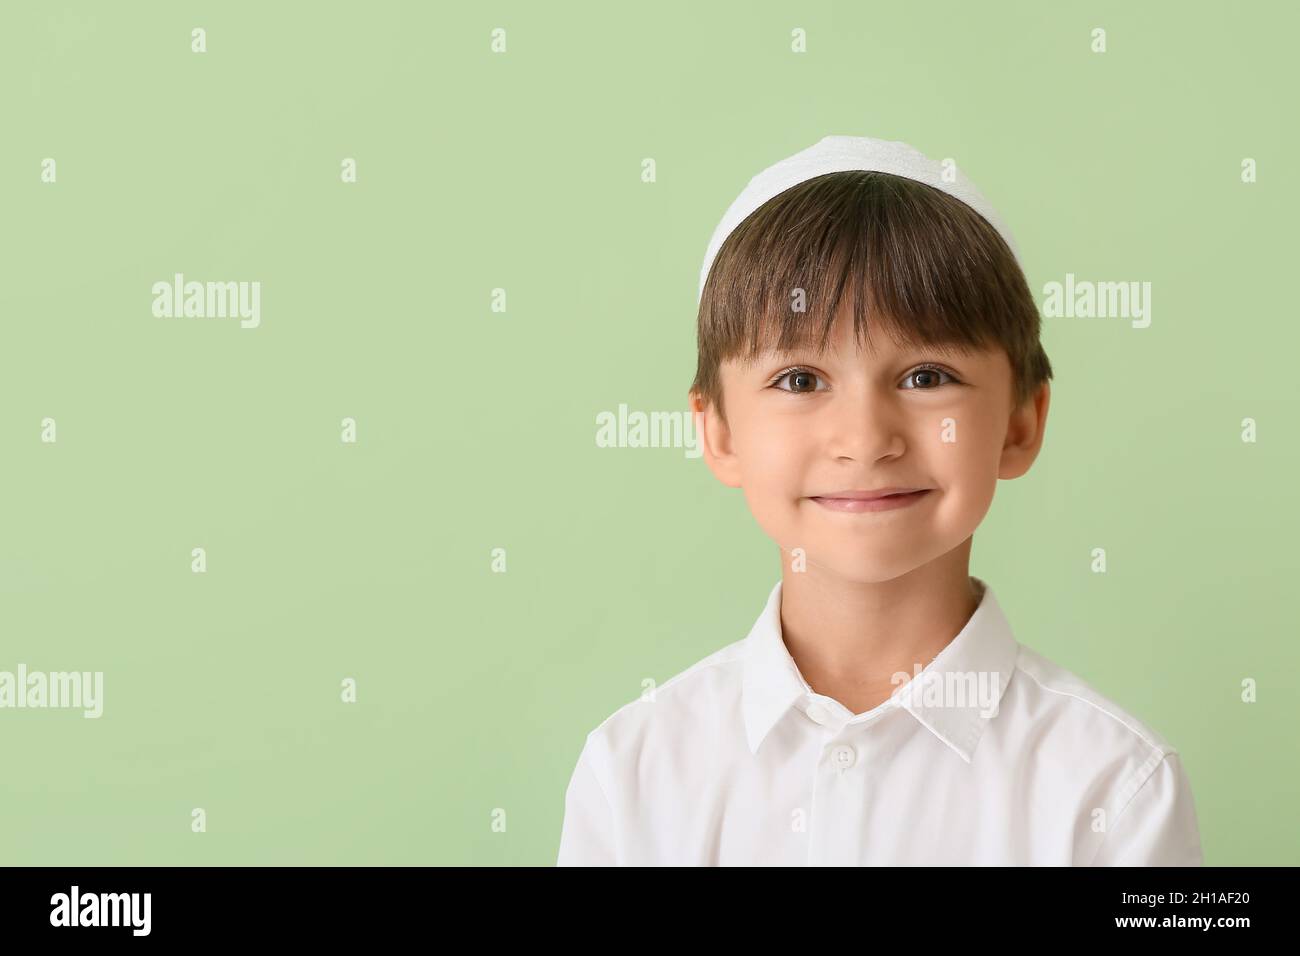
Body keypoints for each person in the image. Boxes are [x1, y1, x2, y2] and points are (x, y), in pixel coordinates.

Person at [557, 136, 1203, 866]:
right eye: (800, 380)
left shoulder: (1113, 789)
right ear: (718, 431)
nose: (865, 440)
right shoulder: (634, 774)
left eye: (927, 377)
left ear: (1021, 422)